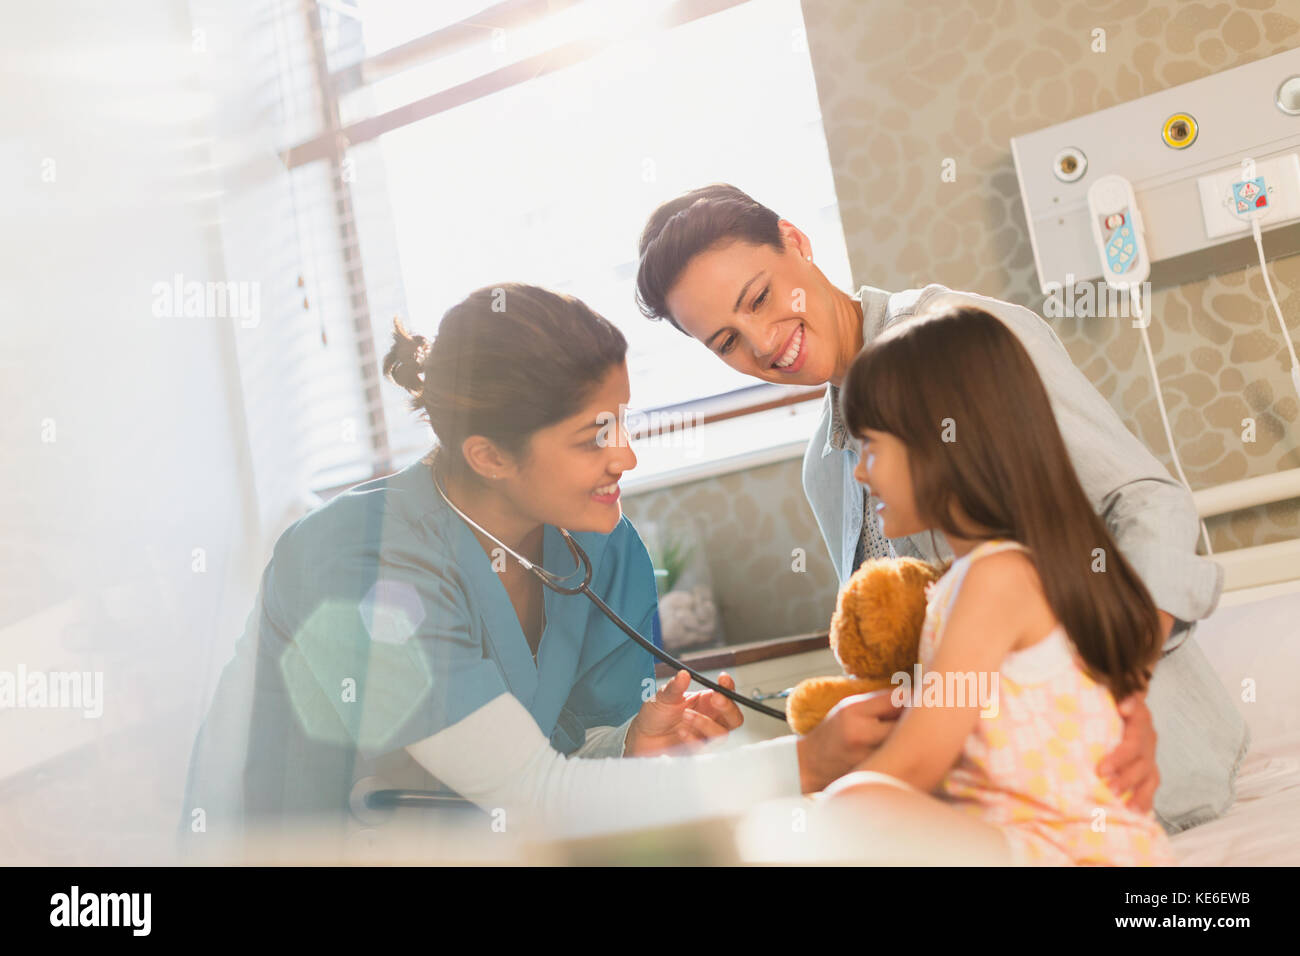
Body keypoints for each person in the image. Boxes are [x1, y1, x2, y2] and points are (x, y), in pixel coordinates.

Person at [178, 283, 893, 854]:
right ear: (489, 455)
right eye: (594, 437)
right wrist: (802, 763)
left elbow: (568, 754)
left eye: (624, 421)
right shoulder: (354, 562)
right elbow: (533, 792)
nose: (627, 456)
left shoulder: (604, 548)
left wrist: (630, 743)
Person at [634, 183, 1249, 832]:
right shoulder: (825, 462)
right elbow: (907, 648)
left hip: (1132, 780)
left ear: (796, 241)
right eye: (727, 342)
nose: (760, 343)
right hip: (999, 802)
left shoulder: (962, 343)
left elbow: (1146, 504)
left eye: (759, 298)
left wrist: (1115, 687)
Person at [823, 305, 1176, 865]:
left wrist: (813, 817)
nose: (861, 472)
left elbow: (916, 763)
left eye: (871, 446)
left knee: (857, 801)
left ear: (938, 444)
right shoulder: (972, 580)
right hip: (1026, 844)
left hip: (1074, 853)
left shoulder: (998, 579)